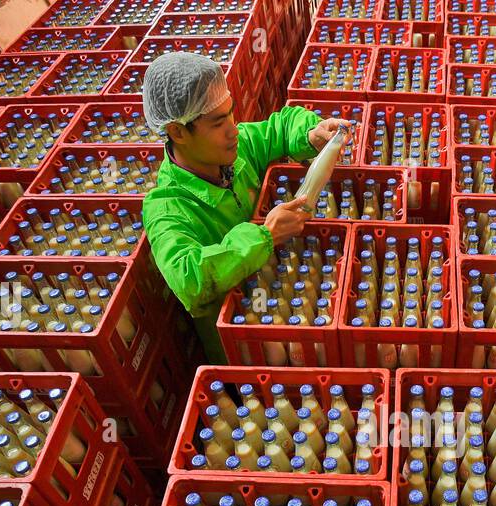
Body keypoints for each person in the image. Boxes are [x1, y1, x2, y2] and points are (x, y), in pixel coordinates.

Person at [141, 52, 351, 362]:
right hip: (241, 347)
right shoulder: (167, 207)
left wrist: (311, 133)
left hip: (283, 297)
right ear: (177, 131)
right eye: (217, 122)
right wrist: (264, 236)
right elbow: (188, 278)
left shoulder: (236, 151)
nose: (233, 129)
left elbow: (278, 127)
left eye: (230, 114)